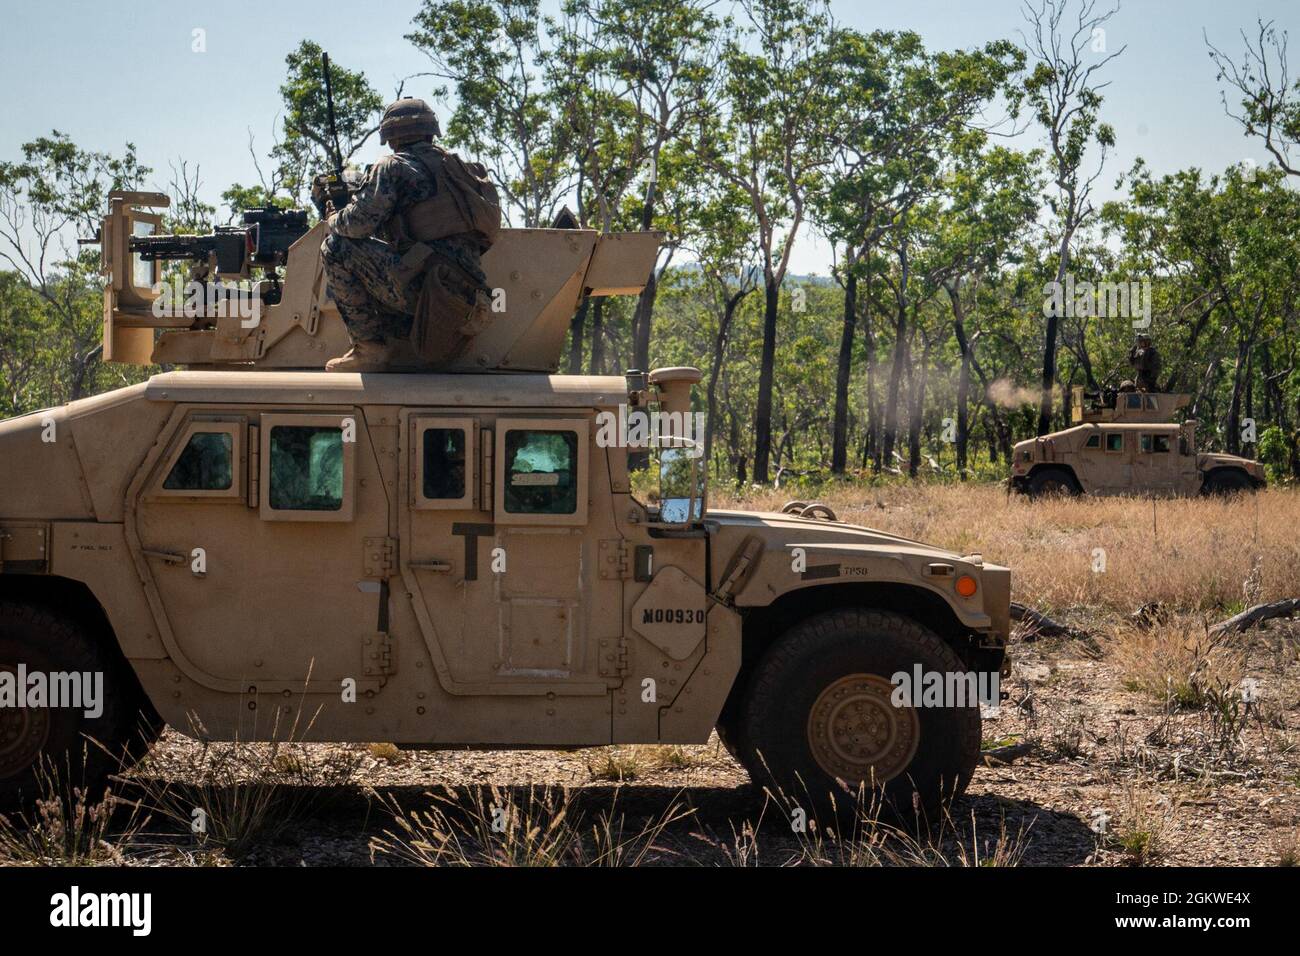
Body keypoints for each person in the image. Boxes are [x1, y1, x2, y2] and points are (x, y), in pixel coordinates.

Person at [319, 97, 496, 372]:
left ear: (391, 138)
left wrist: (333, 217)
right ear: (431, 132)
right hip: (470, 296)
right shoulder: (461, 171)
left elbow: (359, 223)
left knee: (336, 246)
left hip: (426, 290)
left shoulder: (393, 166)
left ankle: (369, 349)